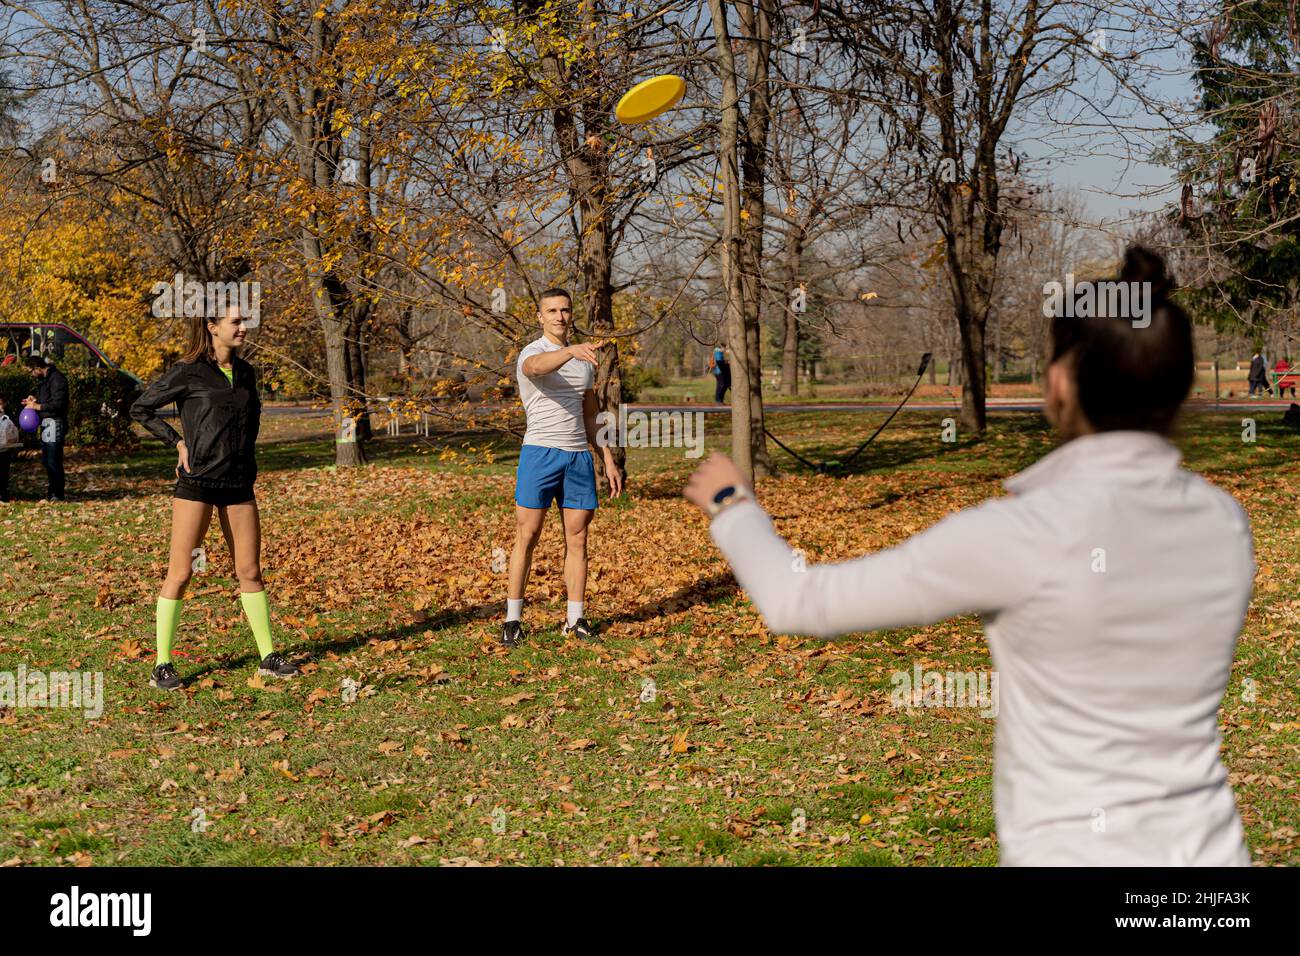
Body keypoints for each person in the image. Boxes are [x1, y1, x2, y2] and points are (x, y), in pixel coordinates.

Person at [685, 246, 1252, 866]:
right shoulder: (1224, 521)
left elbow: (799, 601)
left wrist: (732, 506)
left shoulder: (1028, 530)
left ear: (1060, 381)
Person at [129, 304, 298, 690]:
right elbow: (141, 408)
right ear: (212, 327)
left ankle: (268, 656)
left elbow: (250, 423)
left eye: (243, 321)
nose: (243, 328)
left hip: (238, 485)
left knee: (250, 571)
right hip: (198, 485)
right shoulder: (188, 371)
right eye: (235, 322)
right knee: (183, 571)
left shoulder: (246, 373)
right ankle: (162, 665)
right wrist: (177, 442)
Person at [502, 288, 623, 648]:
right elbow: (534, 369)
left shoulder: (585, 361)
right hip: (540, 454)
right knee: (528, 534)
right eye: (551, 311)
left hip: (577, 458)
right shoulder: (534, 351)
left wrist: (608, 458)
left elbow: (590, 413)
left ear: (572, 314)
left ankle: (575, 619)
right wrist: (569, 350)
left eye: (565, 310)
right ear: (540, 317)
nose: (559, 316)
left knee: (578, 538)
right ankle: (512, 620)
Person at [22, 355, 68, 501]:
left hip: (54, 422)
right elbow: (47, 401)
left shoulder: (57, 379)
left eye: (31, 371)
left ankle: (57, 494)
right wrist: (35, 401)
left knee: (54, 460)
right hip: (46, 423)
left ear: (37, 368)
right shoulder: (43, 380)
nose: (31, 375)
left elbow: (58, 404)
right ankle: (52, 492)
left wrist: (37, 406)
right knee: (47, 461)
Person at [0, 396, 19, 502]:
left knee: (3, 471)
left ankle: (3, 493)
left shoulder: (8, 416)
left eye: (1, 403)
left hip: (5, 449)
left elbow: (14, 428)